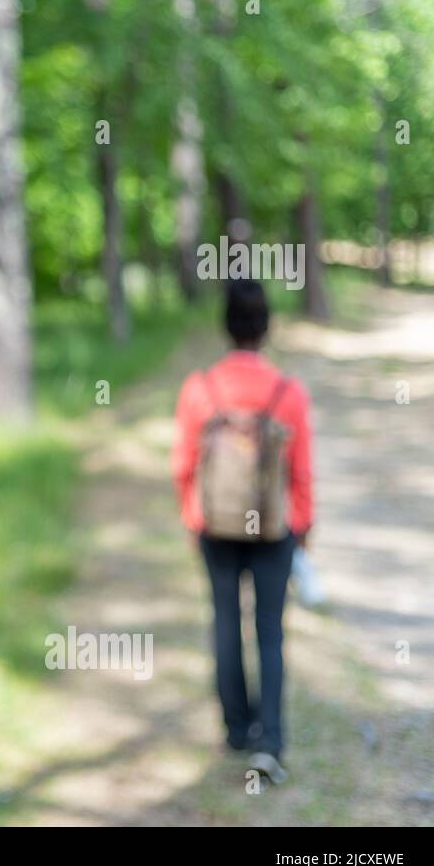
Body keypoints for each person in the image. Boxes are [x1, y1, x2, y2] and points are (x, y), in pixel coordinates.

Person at [171, 280, 314, 786]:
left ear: (225, 325)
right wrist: (303, 529)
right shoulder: (288, 391)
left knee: (225, 622)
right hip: (274, 529)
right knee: (270, 632)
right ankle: (270, 740)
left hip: (217, 526)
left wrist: (193, 520)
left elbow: (183, 464)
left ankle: (236, 729)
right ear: (267, 326)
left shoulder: (199, 389)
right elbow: (301, 470)